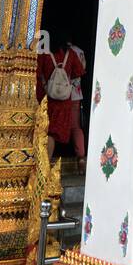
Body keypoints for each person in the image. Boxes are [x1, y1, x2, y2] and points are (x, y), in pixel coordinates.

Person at [36, 30, 87, 174]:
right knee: (62, 130)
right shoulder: (70, 54)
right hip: (65, 102)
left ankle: (43, 166)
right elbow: (79, 72)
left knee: (48, 131)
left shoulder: (44, 54)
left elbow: (37, 74)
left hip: (48, 99)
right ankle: (78, 160)